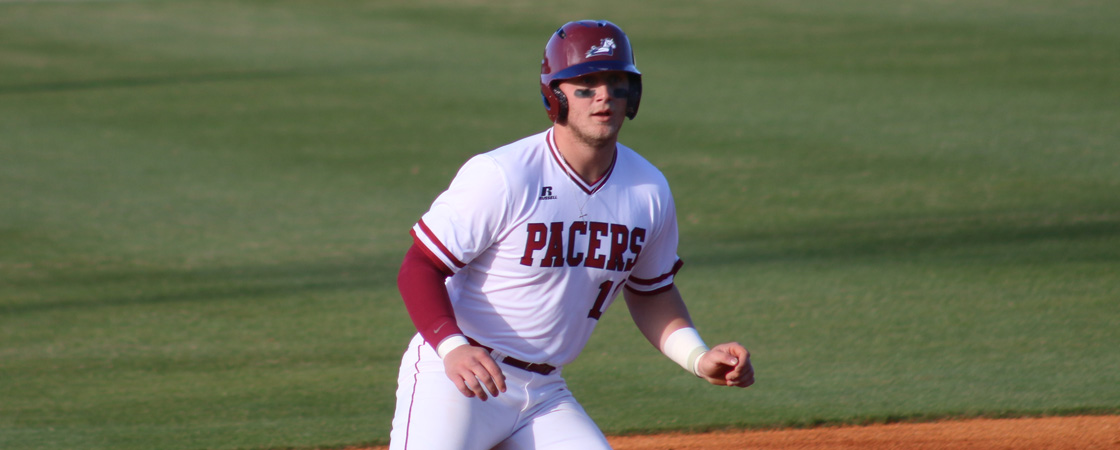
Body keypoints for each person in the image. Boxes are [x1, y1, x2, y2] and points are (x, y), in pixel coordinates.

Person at [389, 20, 754, 450]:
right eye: (586, 85)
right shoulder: (504, 175)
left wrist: (698, 357)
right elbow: (420, 265)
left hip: (544, 395)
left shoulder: (648, 189)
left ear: (632, 95)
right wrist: (452, 347)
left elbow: (652, 290)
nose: (604, 96)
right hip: (458, 378)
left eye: (616, 83)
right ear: (555, 97)